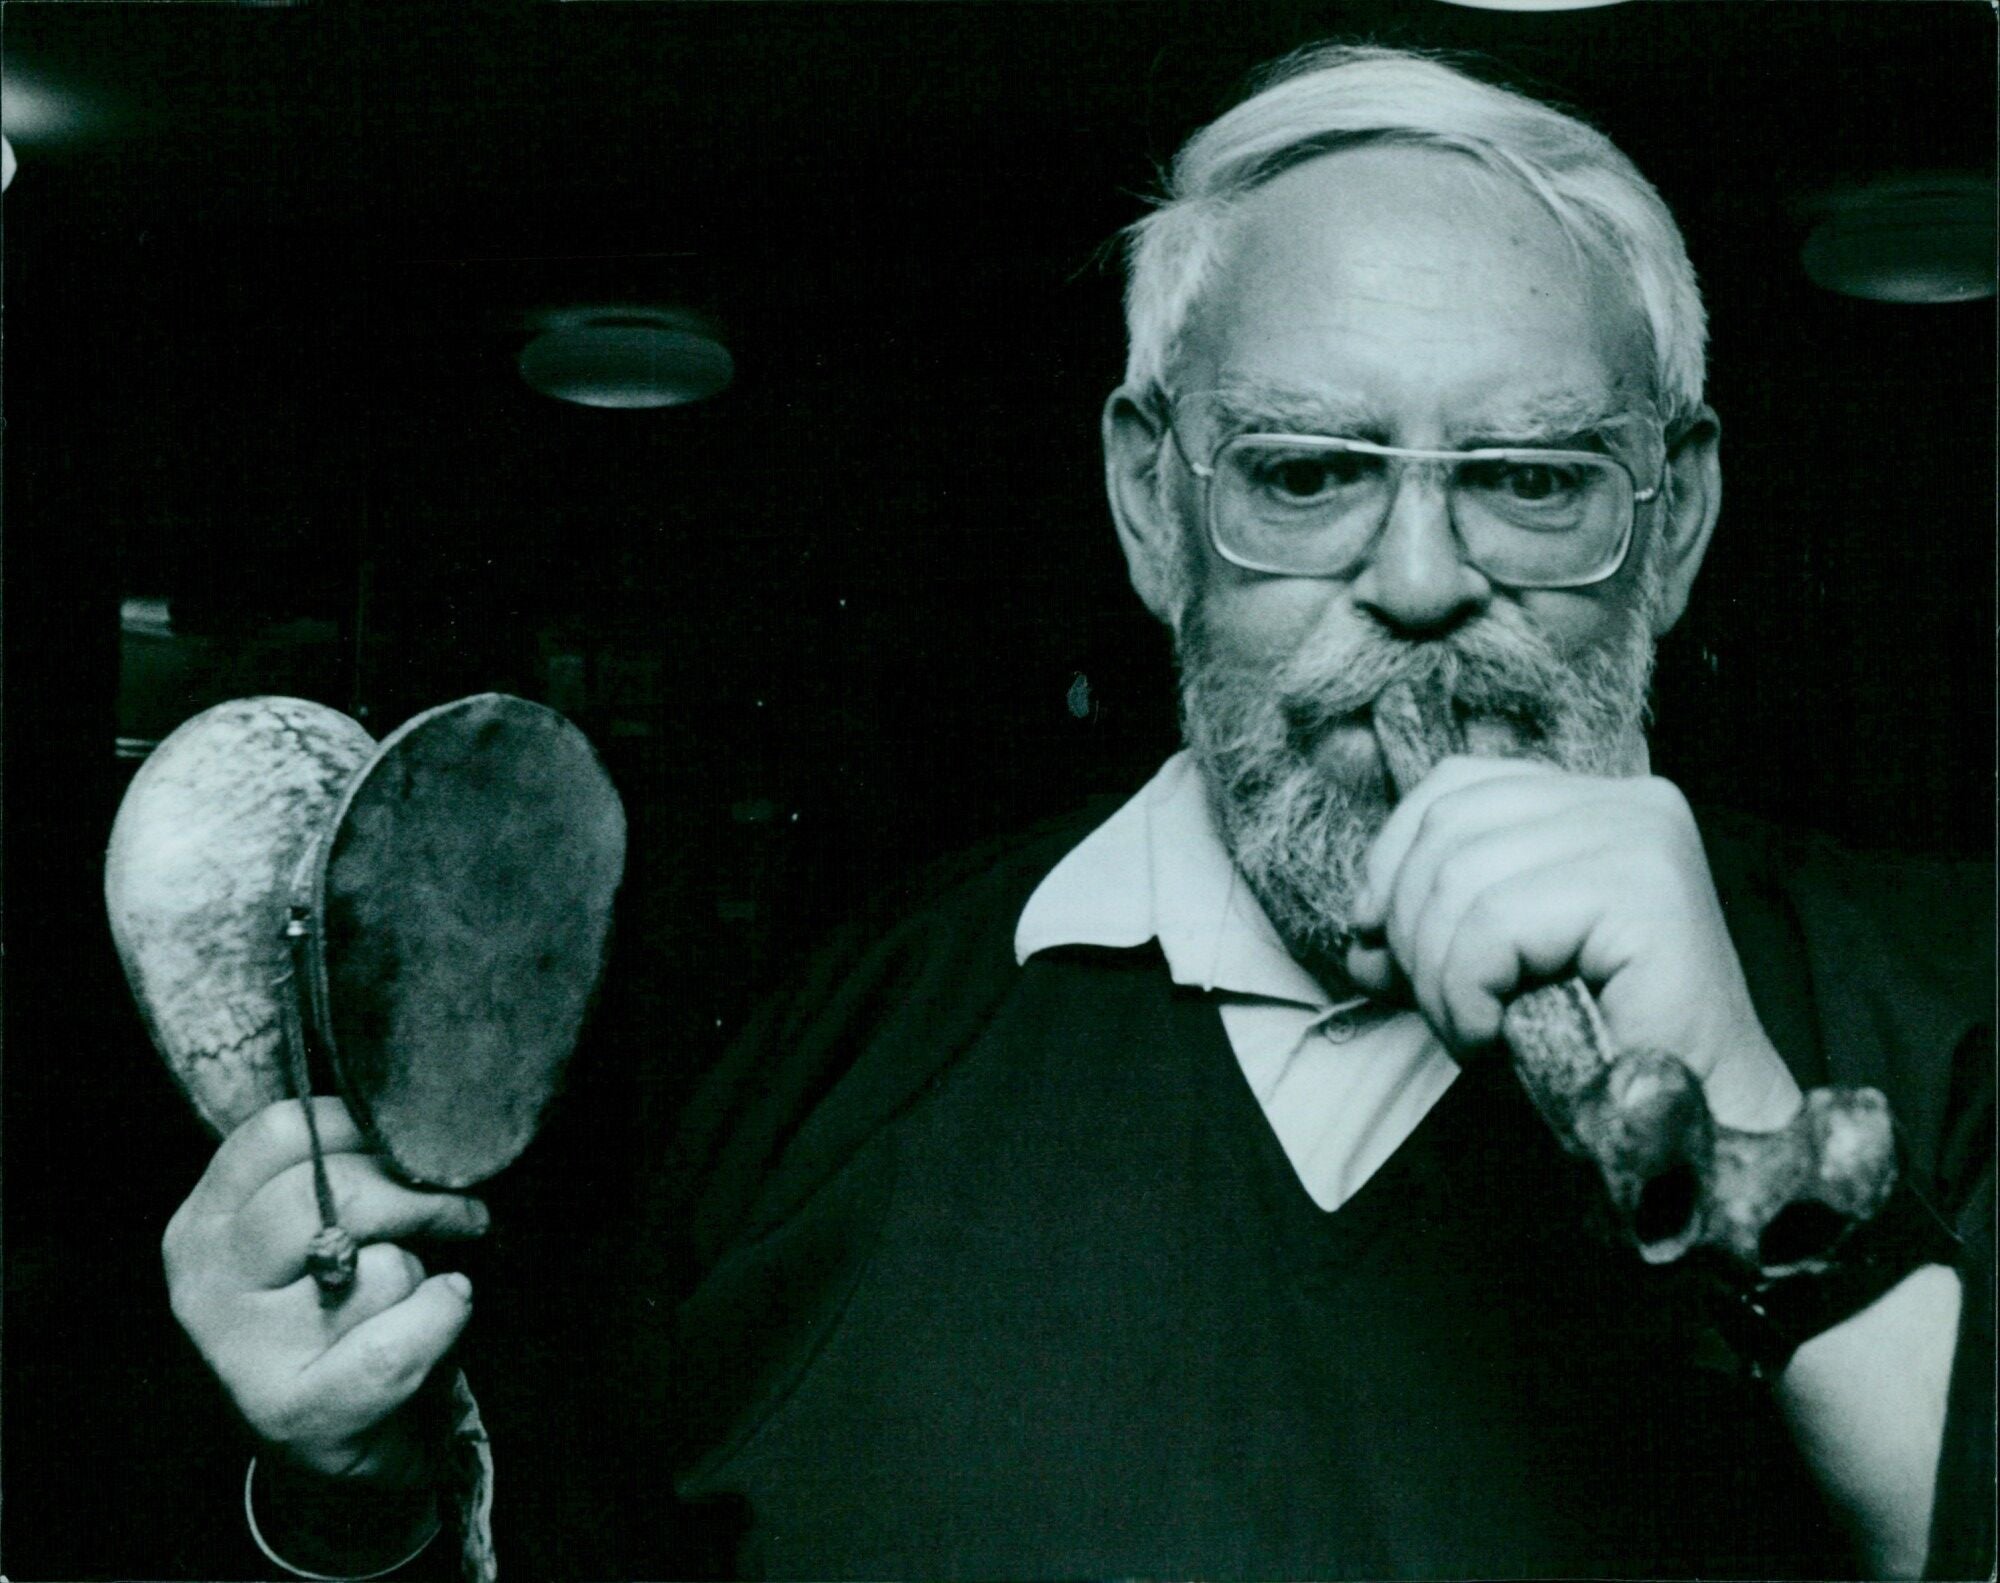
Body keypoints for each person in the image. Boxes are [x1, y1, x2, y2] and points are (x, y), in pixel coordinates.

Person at [162, 43, 1992, 1581]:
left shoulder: (1957, 1007)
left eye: (1528, 479)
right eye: (1301, 471)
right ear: (1147, 502)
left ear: (1669, 522)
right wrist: (359, 1490)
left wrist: (1744, 1123)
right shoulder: (820, 1073)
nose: (1421, 578)